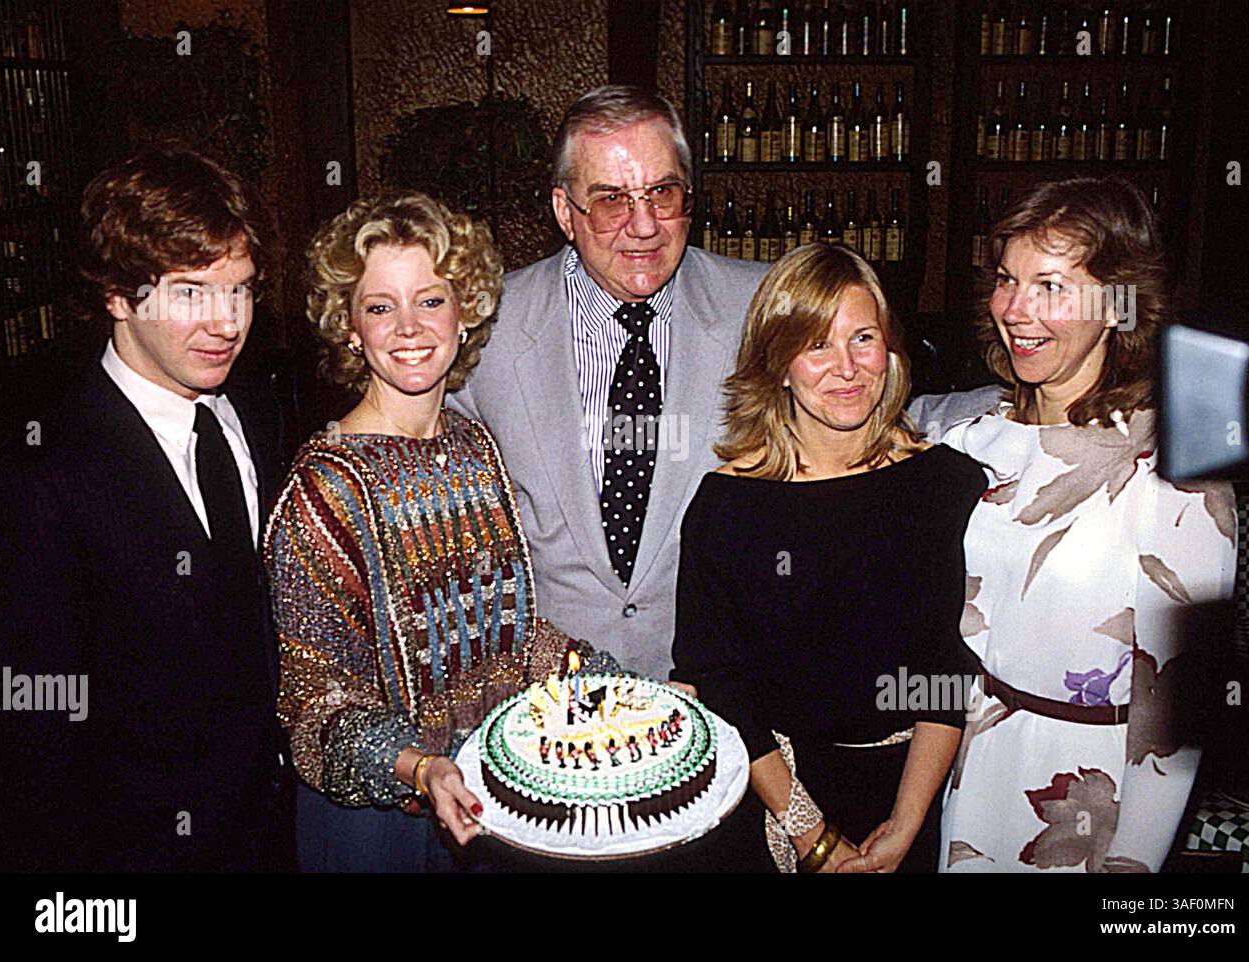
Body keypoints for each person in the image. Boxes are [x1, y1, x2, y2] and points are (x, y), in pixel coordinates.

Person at [266, 192, 615, 873]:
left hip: (485, 793)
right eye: (379, 306)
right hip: (377, 825)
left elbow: (505, 639)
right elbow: (313, 707)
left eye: (430, 300)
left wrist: (617, 685)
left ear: (466, 311)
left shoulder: (475, 449)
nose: (408, 327)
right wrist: (420, 767)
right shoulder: (326, 485)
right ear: (348, 328)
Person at [0, 146, 290, 871]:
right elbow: (33, 727)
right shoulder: (39, 472)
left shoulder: (256, 405)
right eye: (190, 292)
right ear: (118, 296)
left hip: (274, 833)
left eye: (241, 290)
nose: (227, 323)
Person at [937, 177, 1236, 873]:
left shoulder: (1176, 474)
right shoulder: (970, 443)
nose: (1017, 309)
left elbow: (1175, 731)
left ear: (1119, 304)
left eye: (1052, 286)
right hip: (971, 767)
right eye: (1008, 280)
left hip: (1089, 797)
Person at [671, 244, 989, 873]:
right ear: (778, 364)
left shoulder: (946, 484)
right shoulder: (729, 504)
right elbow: (718, 685)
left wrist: (905, 825)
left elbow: (948, 670)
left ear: (890, 350)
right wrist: (811, 835)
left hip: (913, 796)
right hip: (774, 801)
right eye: (816, 344)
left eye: (862, 338)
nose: (846, 368)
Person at [447, 85, 767, 680]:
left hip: (722, 690)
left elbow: (869, 404)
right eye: (612, 199)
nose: (643, 226)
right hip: (545, 700)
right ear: (565, 212)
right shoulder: (485, 325)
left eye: (662, 194)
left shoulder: (764, 308)